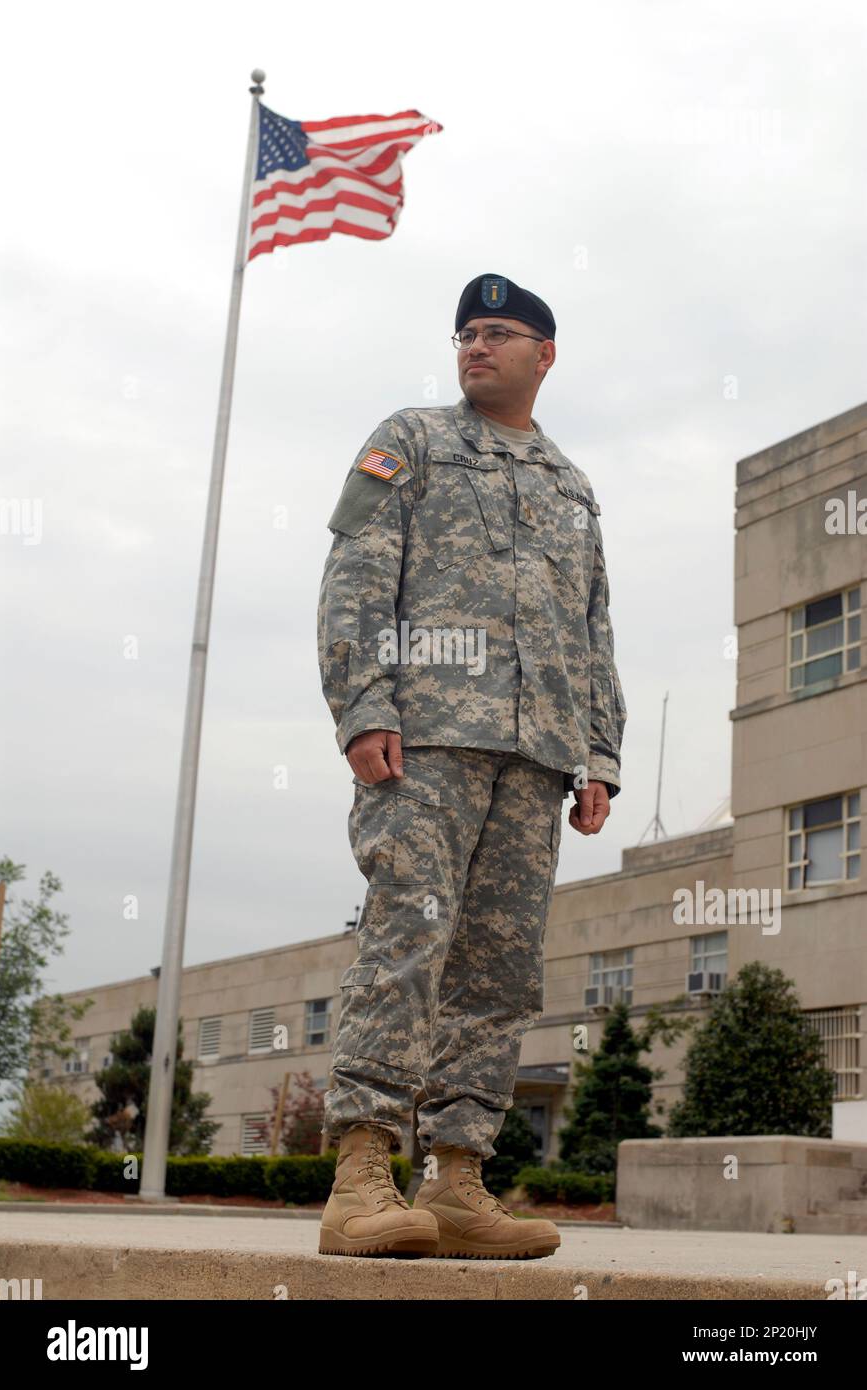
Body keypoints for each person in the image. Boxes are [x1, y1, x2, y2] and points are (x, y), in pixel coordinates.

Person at [315, 273, 626, 1259]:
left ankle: (456, 1180)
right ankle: (361, 1175)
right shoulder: (411, 441)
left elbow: (592, 625)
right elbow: (356, 573)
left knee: (499, 975)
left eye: (498, 333)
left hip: (534, 759)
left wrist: (599, 753)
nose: (475, 347)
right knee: (409, 935)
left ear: (546, 353)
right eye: (465, 334)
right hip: (427, 742)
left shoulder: (572, 486)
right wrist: (362, 702)